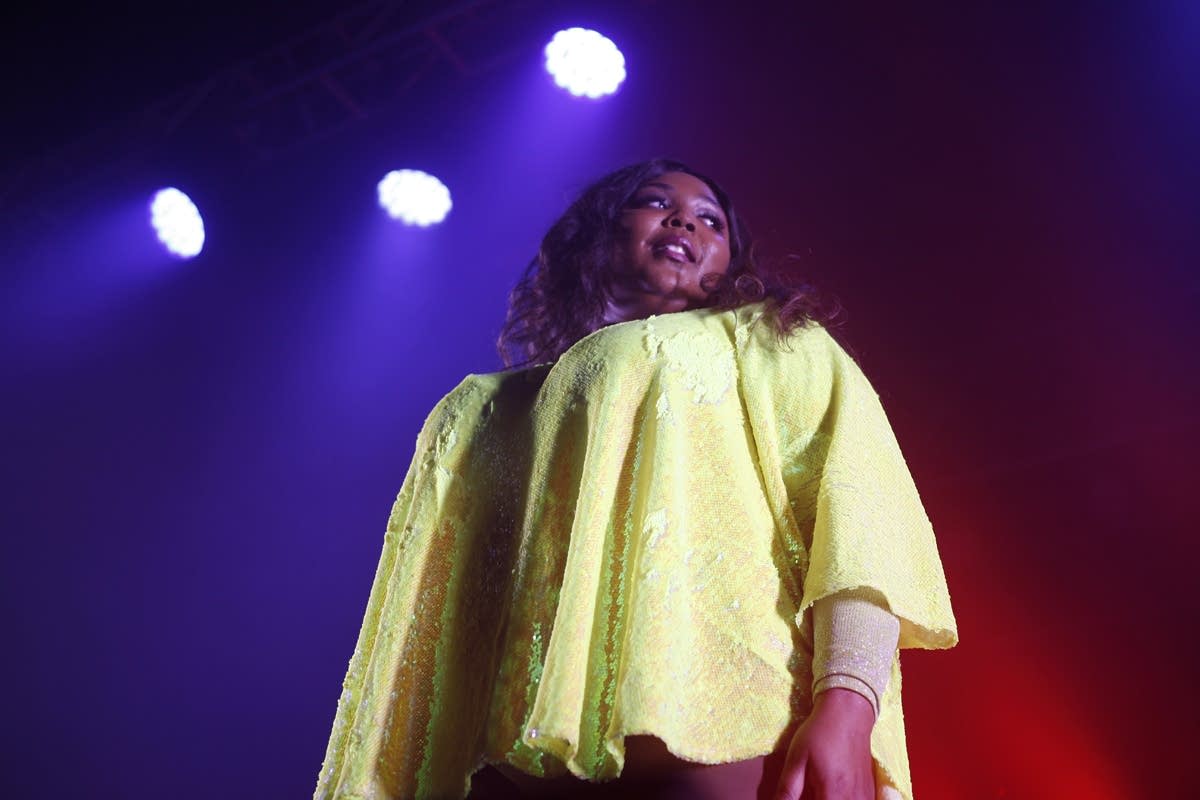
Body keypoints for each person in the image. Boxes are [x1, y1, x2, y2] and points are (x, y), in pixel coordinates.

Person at [313, 159, 957, 800]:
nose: (685, 221)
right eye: (656, 202)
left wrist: (849, 703)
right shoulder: (480, 405)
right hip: (505, 767)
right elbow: (426, 617)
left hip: (725, 736)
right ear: (600, 231)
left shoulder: (770, 338)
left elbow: (859, 522)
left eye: (711, 220)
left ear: (730, 260)